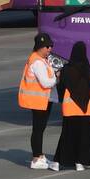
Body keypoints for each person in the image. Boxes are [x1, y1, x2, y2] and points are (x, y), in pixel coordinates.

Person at [55, 41, 90, 171]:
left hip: (70, 110)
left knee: (69, 137)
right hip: (89, 110)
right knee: (86, 138)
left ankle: (66, 160)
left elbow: (61, 90)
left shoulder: (65, 70)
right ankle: (81, 162)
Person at [18, 31, 59, 171]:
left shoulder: (41, 60)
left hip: (43, 100)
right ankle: (36, 158)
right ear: (40, 47)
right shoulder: (37, 62)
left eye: (51, 46)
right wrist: (57, 79)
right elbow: (46, 82)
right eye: (47, 46)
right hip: (38, 101)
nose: (50, 49)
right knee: (38, 129)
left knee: (40, 129)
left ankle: (40, 155)